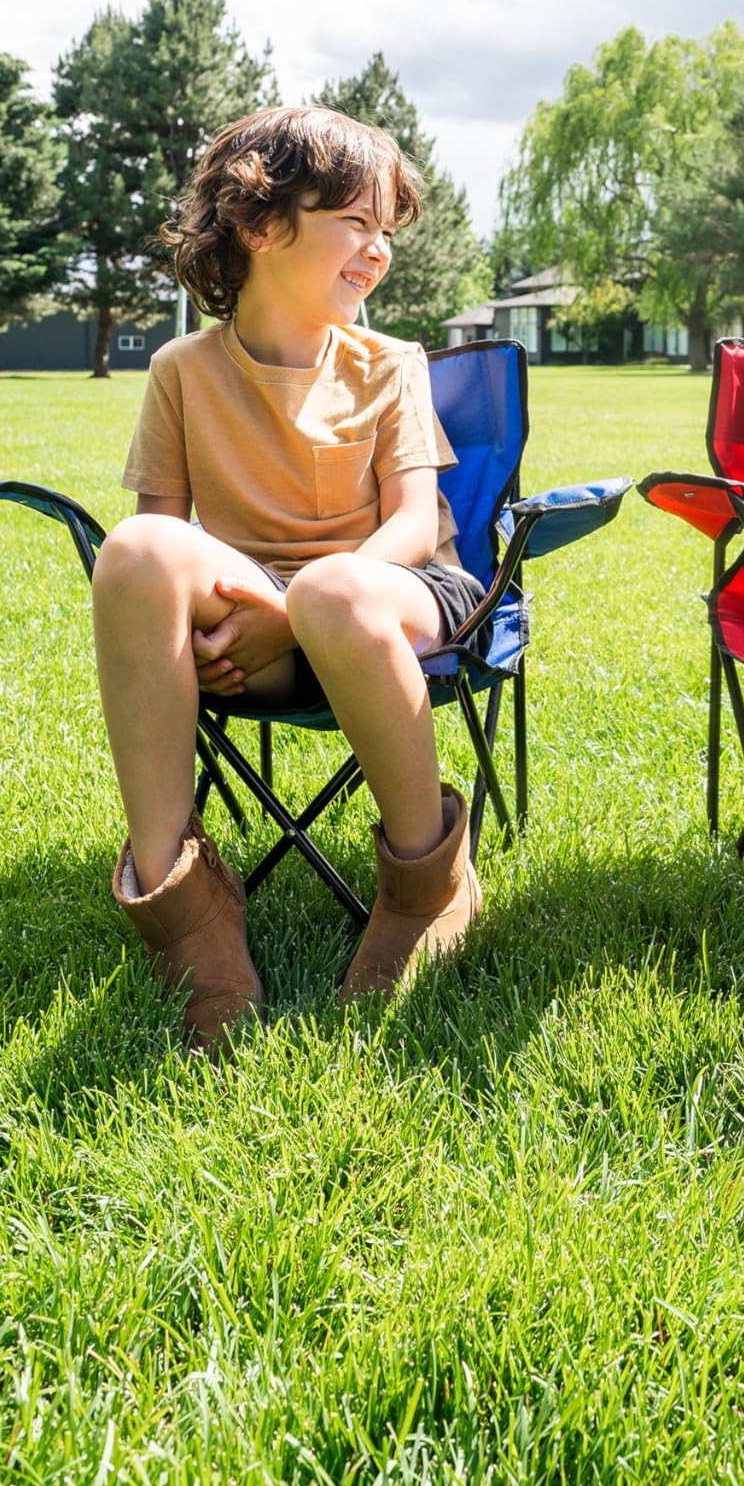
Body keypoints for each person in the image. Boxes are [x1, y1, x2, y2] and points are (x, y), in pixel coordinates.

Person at [91, 103, 487, 1056]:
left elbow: (409, 522)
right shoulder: (181, 370)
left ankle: (427, 880)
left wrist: (290, 608)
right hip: (256, 629)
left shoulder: (390, 362)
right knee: (134, 552)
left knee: (332, 591)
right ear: (264, 227)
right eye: (357, 223)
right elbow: (166, 539)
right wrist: (242, 613)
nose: (379, 250)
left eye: (387, 231)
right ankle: (183, 906)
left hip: (397, 598)